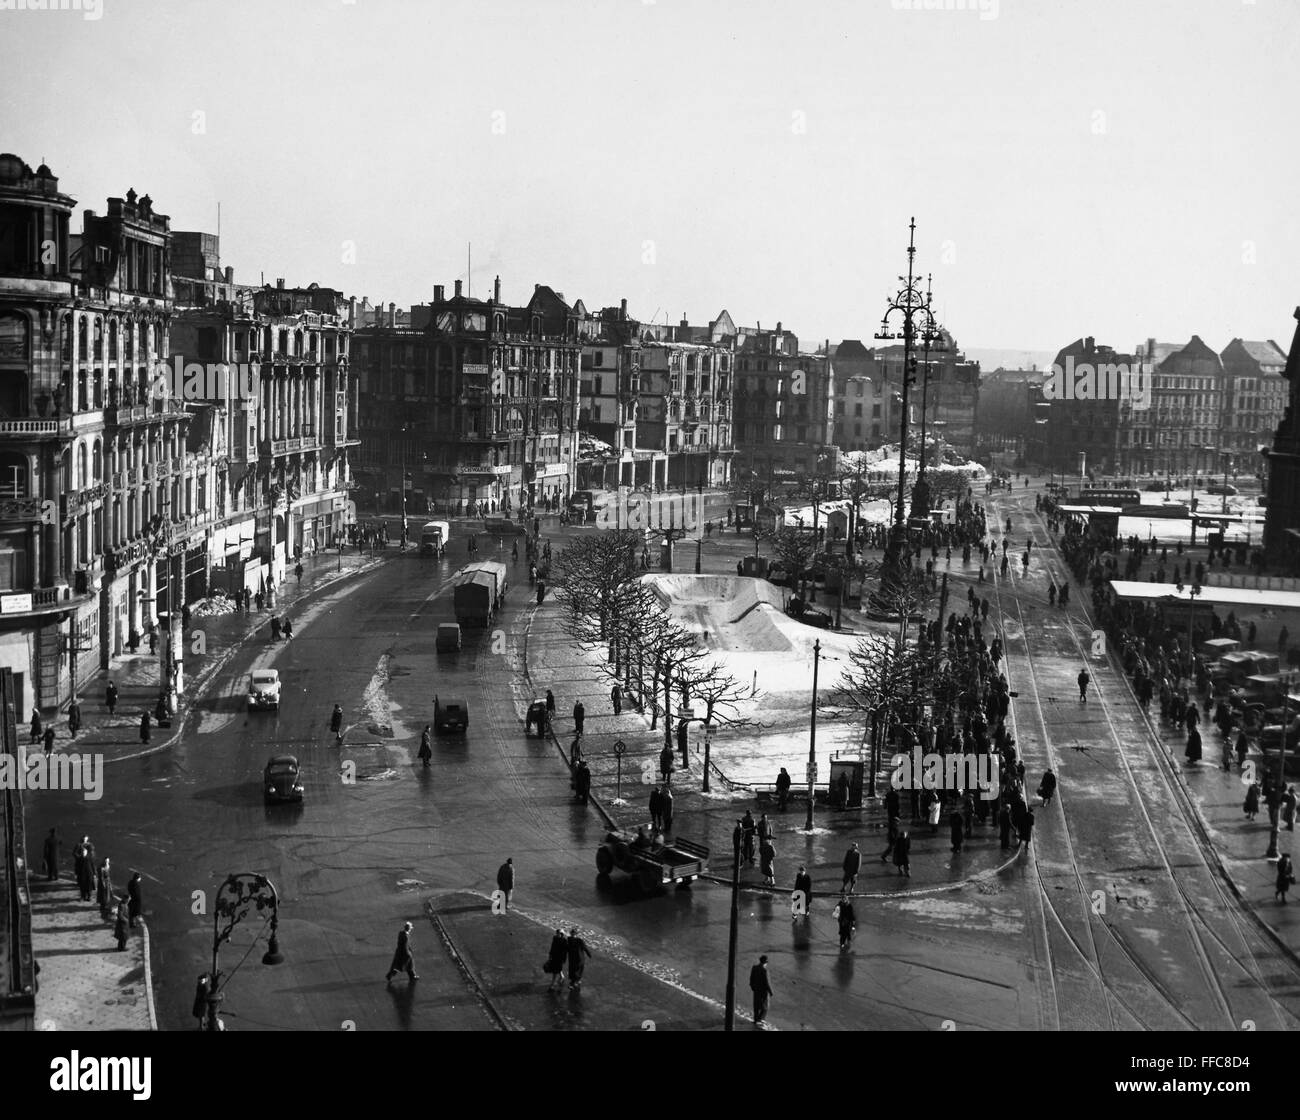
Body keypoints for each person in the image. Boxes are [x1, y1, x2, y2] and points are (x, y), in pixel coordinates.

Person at [749, 955, 773, 1024]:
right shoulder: (765, 971)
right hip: (763, 992)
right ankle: (760, 1020)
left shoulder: (754, 968)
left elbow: (751, 979)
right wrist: (771, 992)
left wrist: (753, 987)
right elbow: (767, 982)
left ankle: (756, 1020)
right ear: (765, 962)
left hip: (756, 990)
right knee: (765, 1007)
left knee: (756, 1005)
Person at [76, 837, 95, 902]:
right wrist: (76, 874)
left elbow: (93, 866)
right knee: (82, 886)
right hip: (82, 874)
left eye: (85, 852)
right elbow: (77, 867)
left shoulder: (90, 858)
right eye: (83, 852)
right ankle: (83, 896)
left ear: (87, 852)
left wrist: (94, 874)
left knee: (89, 886)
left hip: (89, 874)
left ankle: (89, 896)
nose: (84, 853)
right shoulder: (79, 859)